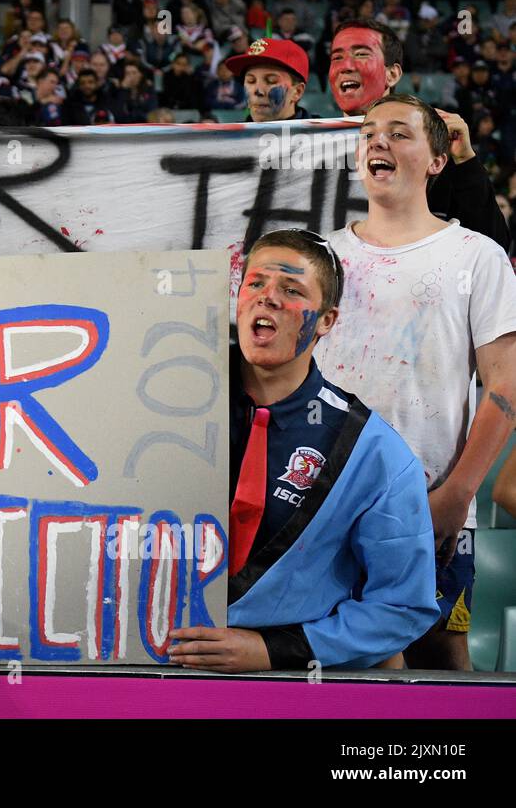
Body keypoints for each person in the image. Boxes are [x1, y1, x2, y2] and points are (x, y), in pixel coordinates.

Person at [170, 229, 436, 672]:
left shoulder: (374, 452)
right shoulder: (164, 405)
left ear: (327, 320)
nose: (267, 298)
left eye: (291, 290)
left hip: (291, 687)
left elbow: (402, 607)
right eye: (255, 283)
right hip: (142, 670)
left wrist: (273, 651)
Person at [314, 93, 516, 670]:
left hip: (434, 503)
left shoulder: (477, 256)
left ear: (436, 160)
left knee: (444, 657)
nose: (378, 140)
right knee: (350, 668)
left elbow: (507, 383)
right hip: (327, 506)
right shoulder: (321, 257)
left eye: (399, 133)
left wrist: (456, 498)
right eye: (369, 132)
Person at [329, 18, 509, 248]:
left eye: (362, 54)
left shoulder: (432, 144)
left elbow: (493, 244)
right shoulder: (301, 147)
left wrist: (465, 162)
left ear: (392, 74)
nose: (346, 66)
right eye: (336, 57)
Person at [223, 37, 314, 122]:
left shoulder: (324, 137)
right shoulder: (230, 137)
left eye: (271, 81)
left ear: (297, 92)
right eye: (251, 81)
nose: (258, 91)